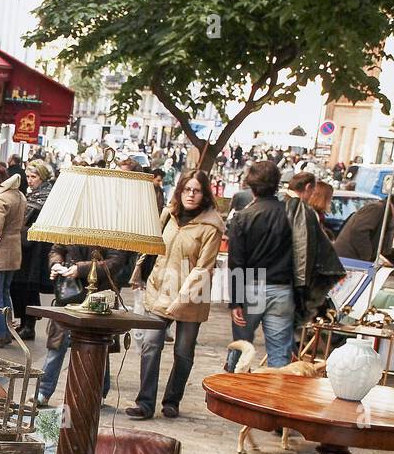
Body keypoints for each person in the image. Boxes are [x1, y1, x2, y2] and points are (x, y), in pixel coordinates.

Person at [126, 170, 225, 420]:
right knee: (150, 345)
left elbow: (204, 267)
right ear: (180, 191)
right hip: (160, 290)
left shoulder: (211, 226)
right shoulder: (168, 215)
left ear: (204, 194)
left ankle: (172, 400)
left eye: (197, 190)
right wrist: (139, 273)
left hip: (192, 296)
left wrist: (181, 299)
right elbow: (152, 245)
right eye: (187, 189)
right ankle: (145, 402)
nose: (191, 195)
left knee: (183, 352)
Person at [36, 244, 128, 405]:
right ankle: (43, 391)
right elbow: (57, 249)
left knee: (99, 345)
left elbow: (116, 261)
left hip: (99, 296)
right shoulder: (73, 224)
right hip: (68, 294)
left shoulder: (112, 226)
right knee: (57, 344)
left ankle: (99, 391)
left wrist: (81, 268)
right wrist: (56, 264)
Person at [226, 160, 296, 367]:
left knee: (240, 348)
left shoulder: (242, 217)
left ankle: (231, 391)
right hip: (282, 288)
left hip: (251, 288)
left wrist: (235, 301)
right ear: (277, 184)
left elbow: (236, 262)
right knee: (279, 354)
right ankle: (273, 396)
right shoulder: (291, 215)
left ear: (250, 184)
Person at [11, 158, 55, 340]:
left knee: (27, 287)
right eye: (28, 176)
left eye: (34, 176)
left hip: (36, 249)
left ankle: (28, 325)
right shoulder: (34, 194)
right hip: (28, 247)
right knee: (21, 286)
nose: (30, 180)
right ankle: (25, 323)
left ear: (42, 177)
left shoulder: (46, 196)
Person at [0, 168, 26, 346]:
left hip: (1, 249)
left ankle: (0, 332)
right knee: (6, 291)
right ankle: (8, 330)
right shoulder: (19, 195)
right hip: (15, 248)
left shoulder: (0, 198)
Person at [334, 194, 394, 272]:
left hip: (354, 260)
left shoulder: (386, 214)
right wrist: (368, 257)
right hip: (348, 259)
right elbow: (359, 231)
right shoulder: (377, 208)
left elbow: (383, 246)